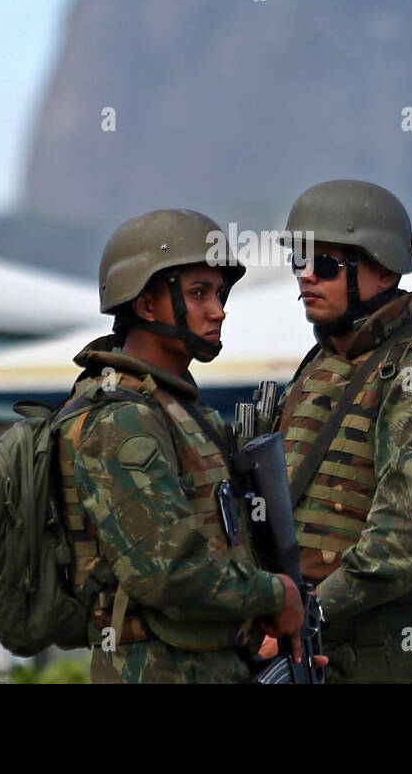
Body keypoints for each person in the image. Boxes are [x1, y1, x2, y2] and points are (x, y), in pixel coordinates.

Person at [57, 208, 305, 683]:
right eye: (198, 293)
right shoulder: (122, 420)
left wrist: (260, 637)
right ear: (147, 305)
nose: (218, 309)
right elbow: (165, 571)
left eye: (219, 293)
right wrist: (276, 596)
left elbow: (217, 550)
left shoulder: (181, 410)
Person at [272, 179, 412, 683]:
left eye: (325, 264)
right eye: (298, 261)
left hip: (387, 656)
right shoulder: (317, 369)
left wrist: (305, 613)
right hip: (307, 649)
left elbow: (407, 542)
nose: (306, 276)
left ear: (384, 269)